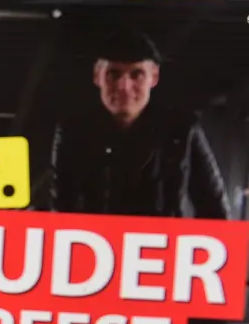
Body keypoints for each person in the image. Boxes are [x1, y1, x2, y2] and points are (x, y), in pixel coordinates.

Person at [50, 30, 230, 219]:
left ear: (154, 78)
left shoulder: (183, 130)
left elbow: (215, 213)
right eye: (113, 74)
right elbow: (61, 210)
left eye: (137, 75)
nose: (124, 87)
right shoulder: (74, 131)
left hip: (163, 245)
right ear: (97, 76)